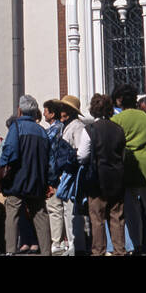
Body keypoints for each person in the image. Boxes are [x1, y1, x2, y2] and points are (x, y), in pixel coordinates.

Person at [112, 83, 146, 253]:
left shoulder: (116, 120)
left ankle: (137, 245)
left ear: (120, 100)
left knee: (131, 209)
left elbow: (113, 144)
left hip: (127, 165)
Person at [0, 94, 52, 256]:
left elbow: (10, 150)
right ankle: (46, 251)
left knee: (13, 212)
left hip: (18, 178)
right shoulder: (42, 131)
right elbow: (49, 158)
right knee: (40, 214)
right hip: (37, 179)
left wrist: (2, 166)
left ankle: (10, 251)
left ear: (19, 110)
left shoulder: (16, 127)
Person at [77, 93, 127, 257]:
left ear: (92, 110)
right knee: (117, 217)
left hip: (97, 178)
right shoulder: (119, 129)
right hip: (117, 177)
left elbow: (82, 155)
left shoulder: (90, 130)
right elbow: (123, 154)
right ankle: (120, 250)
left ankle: (98, 251)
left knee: (97, 218)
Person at [55, 95, 87, 255]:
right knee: (68, 210)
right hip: (68, 172)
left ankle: (78, 245)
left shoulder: (77, 127)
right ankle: (73, 244)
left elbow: (81, 152)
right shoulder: (67, 126)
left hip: (74, 174)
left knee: (74, 210)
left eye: (65, 109)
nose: (62, 111)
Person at [43, 99, 68, 254]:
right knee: (63, 208)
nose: (44, 113)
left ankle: (56, 242)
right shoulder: (63, 128)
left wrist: (50, 180)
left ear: (52, 114)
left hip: (55, 175)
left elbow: (51, 156)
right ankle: (65, 241)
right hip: (63, 174)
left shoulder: (53, 131)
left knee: (54, 208)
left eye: (46, 111)